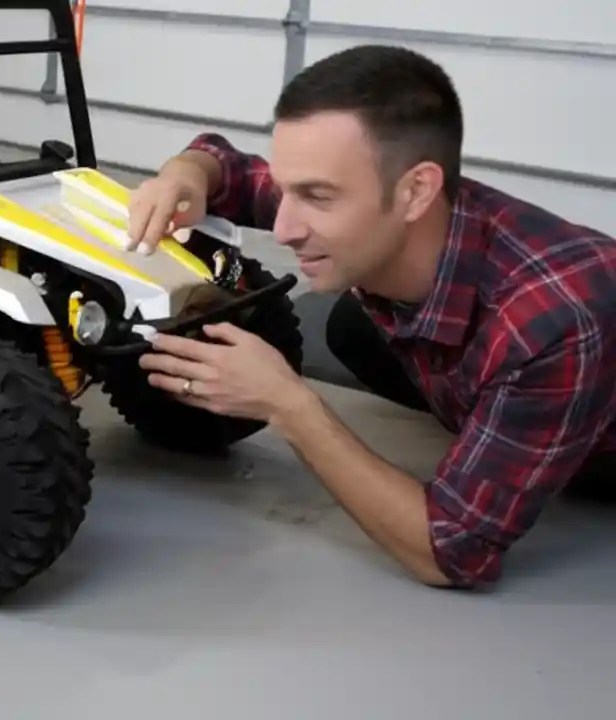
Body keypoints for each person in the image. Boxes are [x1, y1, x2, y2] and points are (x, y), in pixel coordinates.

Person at [125, 44, 616, 589]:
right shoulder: (397, 207)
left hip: (598, 447)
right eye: (289, 190)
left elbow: (451, 552)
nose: (284, 227)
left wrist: (289, 404)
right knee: (349, 328)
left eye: (316, 195)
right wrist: (183, 176)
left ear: (416, 191)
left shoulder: (551, 321)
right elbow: (228, 167)